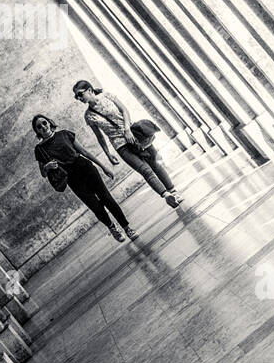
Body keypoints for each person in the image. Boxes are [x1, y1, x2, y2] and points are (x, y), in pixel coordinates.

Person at [72, 80, 182, 209]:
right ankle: (167, 195)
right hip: (120, 145)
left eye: (80, 94)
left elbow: (124, 110)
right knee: (145, 170)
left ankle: (174, 192)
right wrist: (108, 154)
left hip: (134, 135)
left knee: (155, 164)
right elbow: (99, 136)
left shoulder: (107, 96)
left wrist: (127, 130)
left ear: (89, 90)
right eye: (76, 96)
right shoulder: (89, 116)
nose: (79, 98)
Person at [31, 113, 138, 242]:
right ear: (37, 131)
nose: (43, 127)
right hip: (71, 177)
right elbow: (43, 173)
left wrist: (103, 166)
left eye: (44, 123)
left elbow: (85, 152)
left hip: (86, 168)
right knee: (95, 205)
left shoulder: (65, 134)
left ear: (49, 122)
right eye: (39, 127)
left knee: (107, 198)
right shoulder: (39, 149)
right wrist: (47, 166)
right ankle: (112, 227)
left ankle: (127, 228)